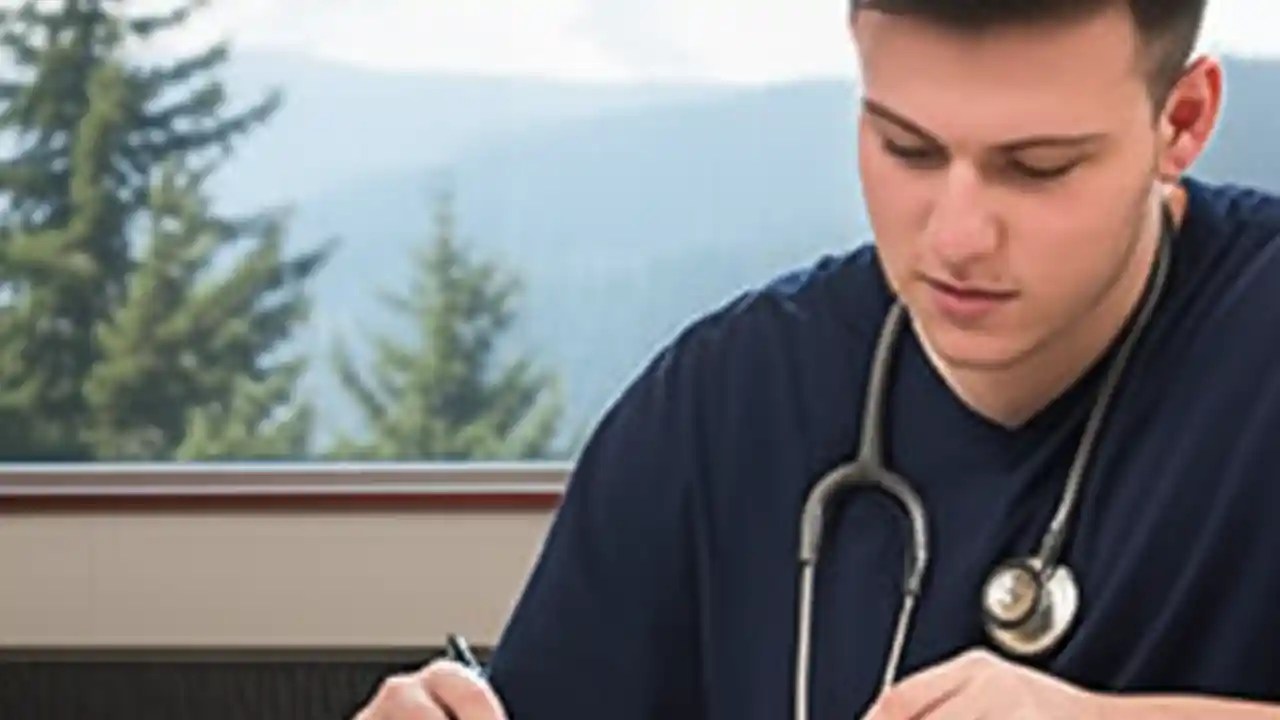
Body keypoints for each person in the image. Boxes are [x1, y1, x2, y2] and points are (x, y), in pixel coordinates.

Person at [354, 0, 1280, 718]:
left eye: (1037, 168)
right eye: (907, 149)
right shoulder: (722, 404)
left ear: (1183, 121)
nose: (957, 238)